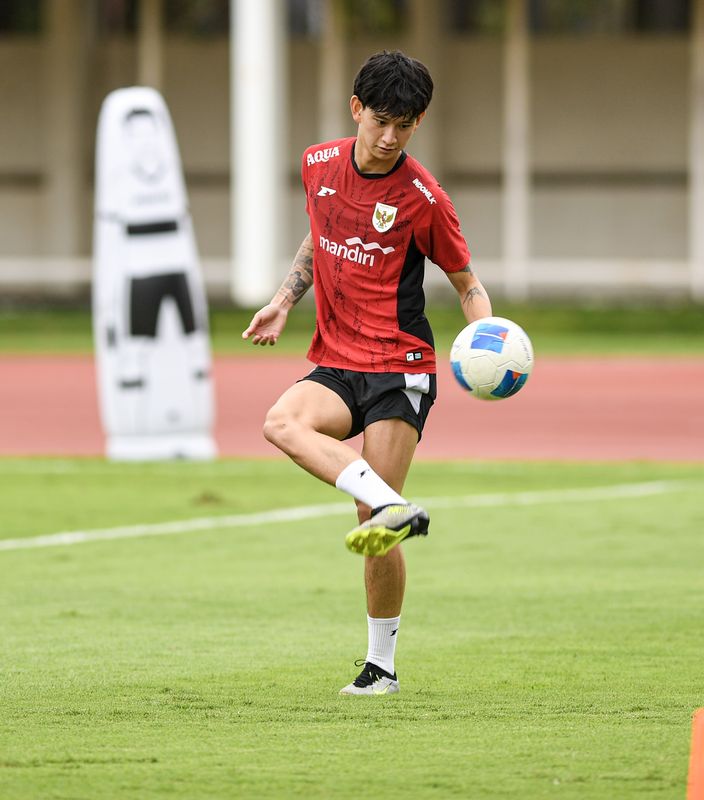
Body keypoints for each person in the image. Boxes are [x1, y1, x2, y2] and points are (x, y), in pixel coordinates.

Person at [242, 50, 492, 696]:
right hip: (336, 359)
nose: (389, 137)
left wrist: (486, 334)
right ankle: (392, 503)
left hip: (400, 368)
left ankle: (381, 666)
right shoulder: (318, 164)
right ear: (356, 109)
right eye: (381, 120)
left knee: (369, 525)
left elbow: (466, 283)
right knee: (281, 423)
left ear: (418, 124)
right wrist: (282, 299)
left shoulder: (423, 198)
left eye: (405, 125)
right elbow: (318, 234)